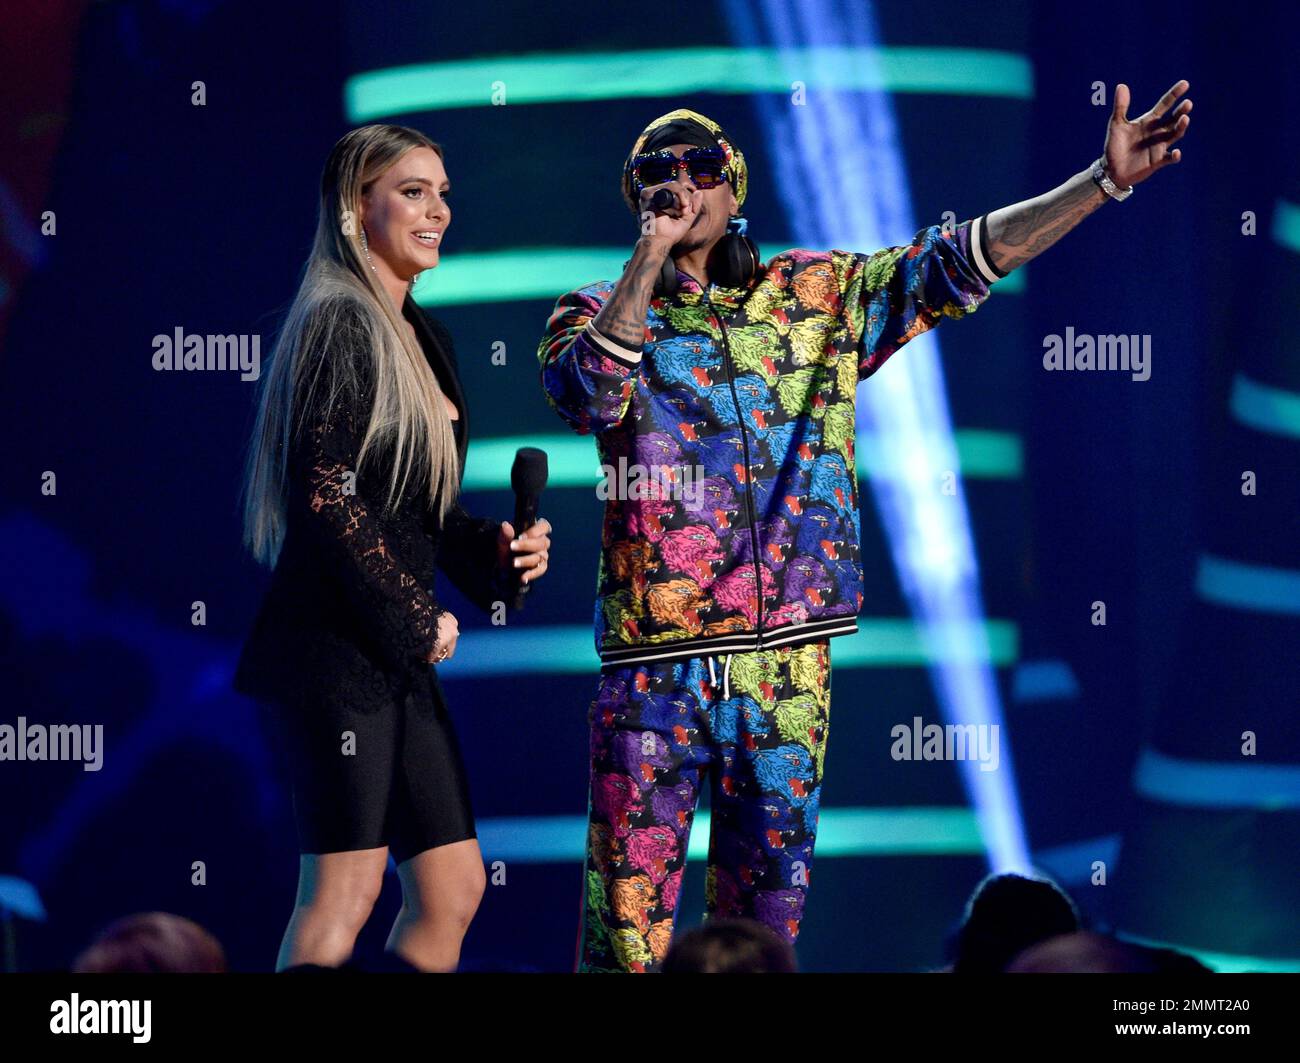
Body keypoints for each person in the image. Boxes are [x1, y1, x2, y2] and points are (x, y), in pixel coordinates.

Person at [538, 86, 1191, 972]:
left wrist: (1098, 184)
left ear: (736, 189)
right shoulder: (594, 310)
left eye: (700, 168)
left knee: (763, 931)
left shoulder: (817, 295)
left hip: (789, 667)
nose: (679, 183)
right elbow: (590, 396)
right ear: (634, 195)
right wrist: (646, 260)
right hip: (656, 666)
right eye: (657, 172)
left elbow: (964, 260)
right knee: (625, 935)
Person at [235, 124, 552, 972]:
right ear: (353, 209)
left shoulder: (426, 335)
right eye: (413, 191)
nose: (438, 210)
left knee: (451, 888)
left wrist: (498, 548)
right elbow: (327, 492)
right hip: (338, 648)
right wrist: (418, 615)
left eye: (443, 192)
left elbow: (417, 511)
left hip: (393, 653)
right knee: (343, 892)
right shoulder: (337, 323)